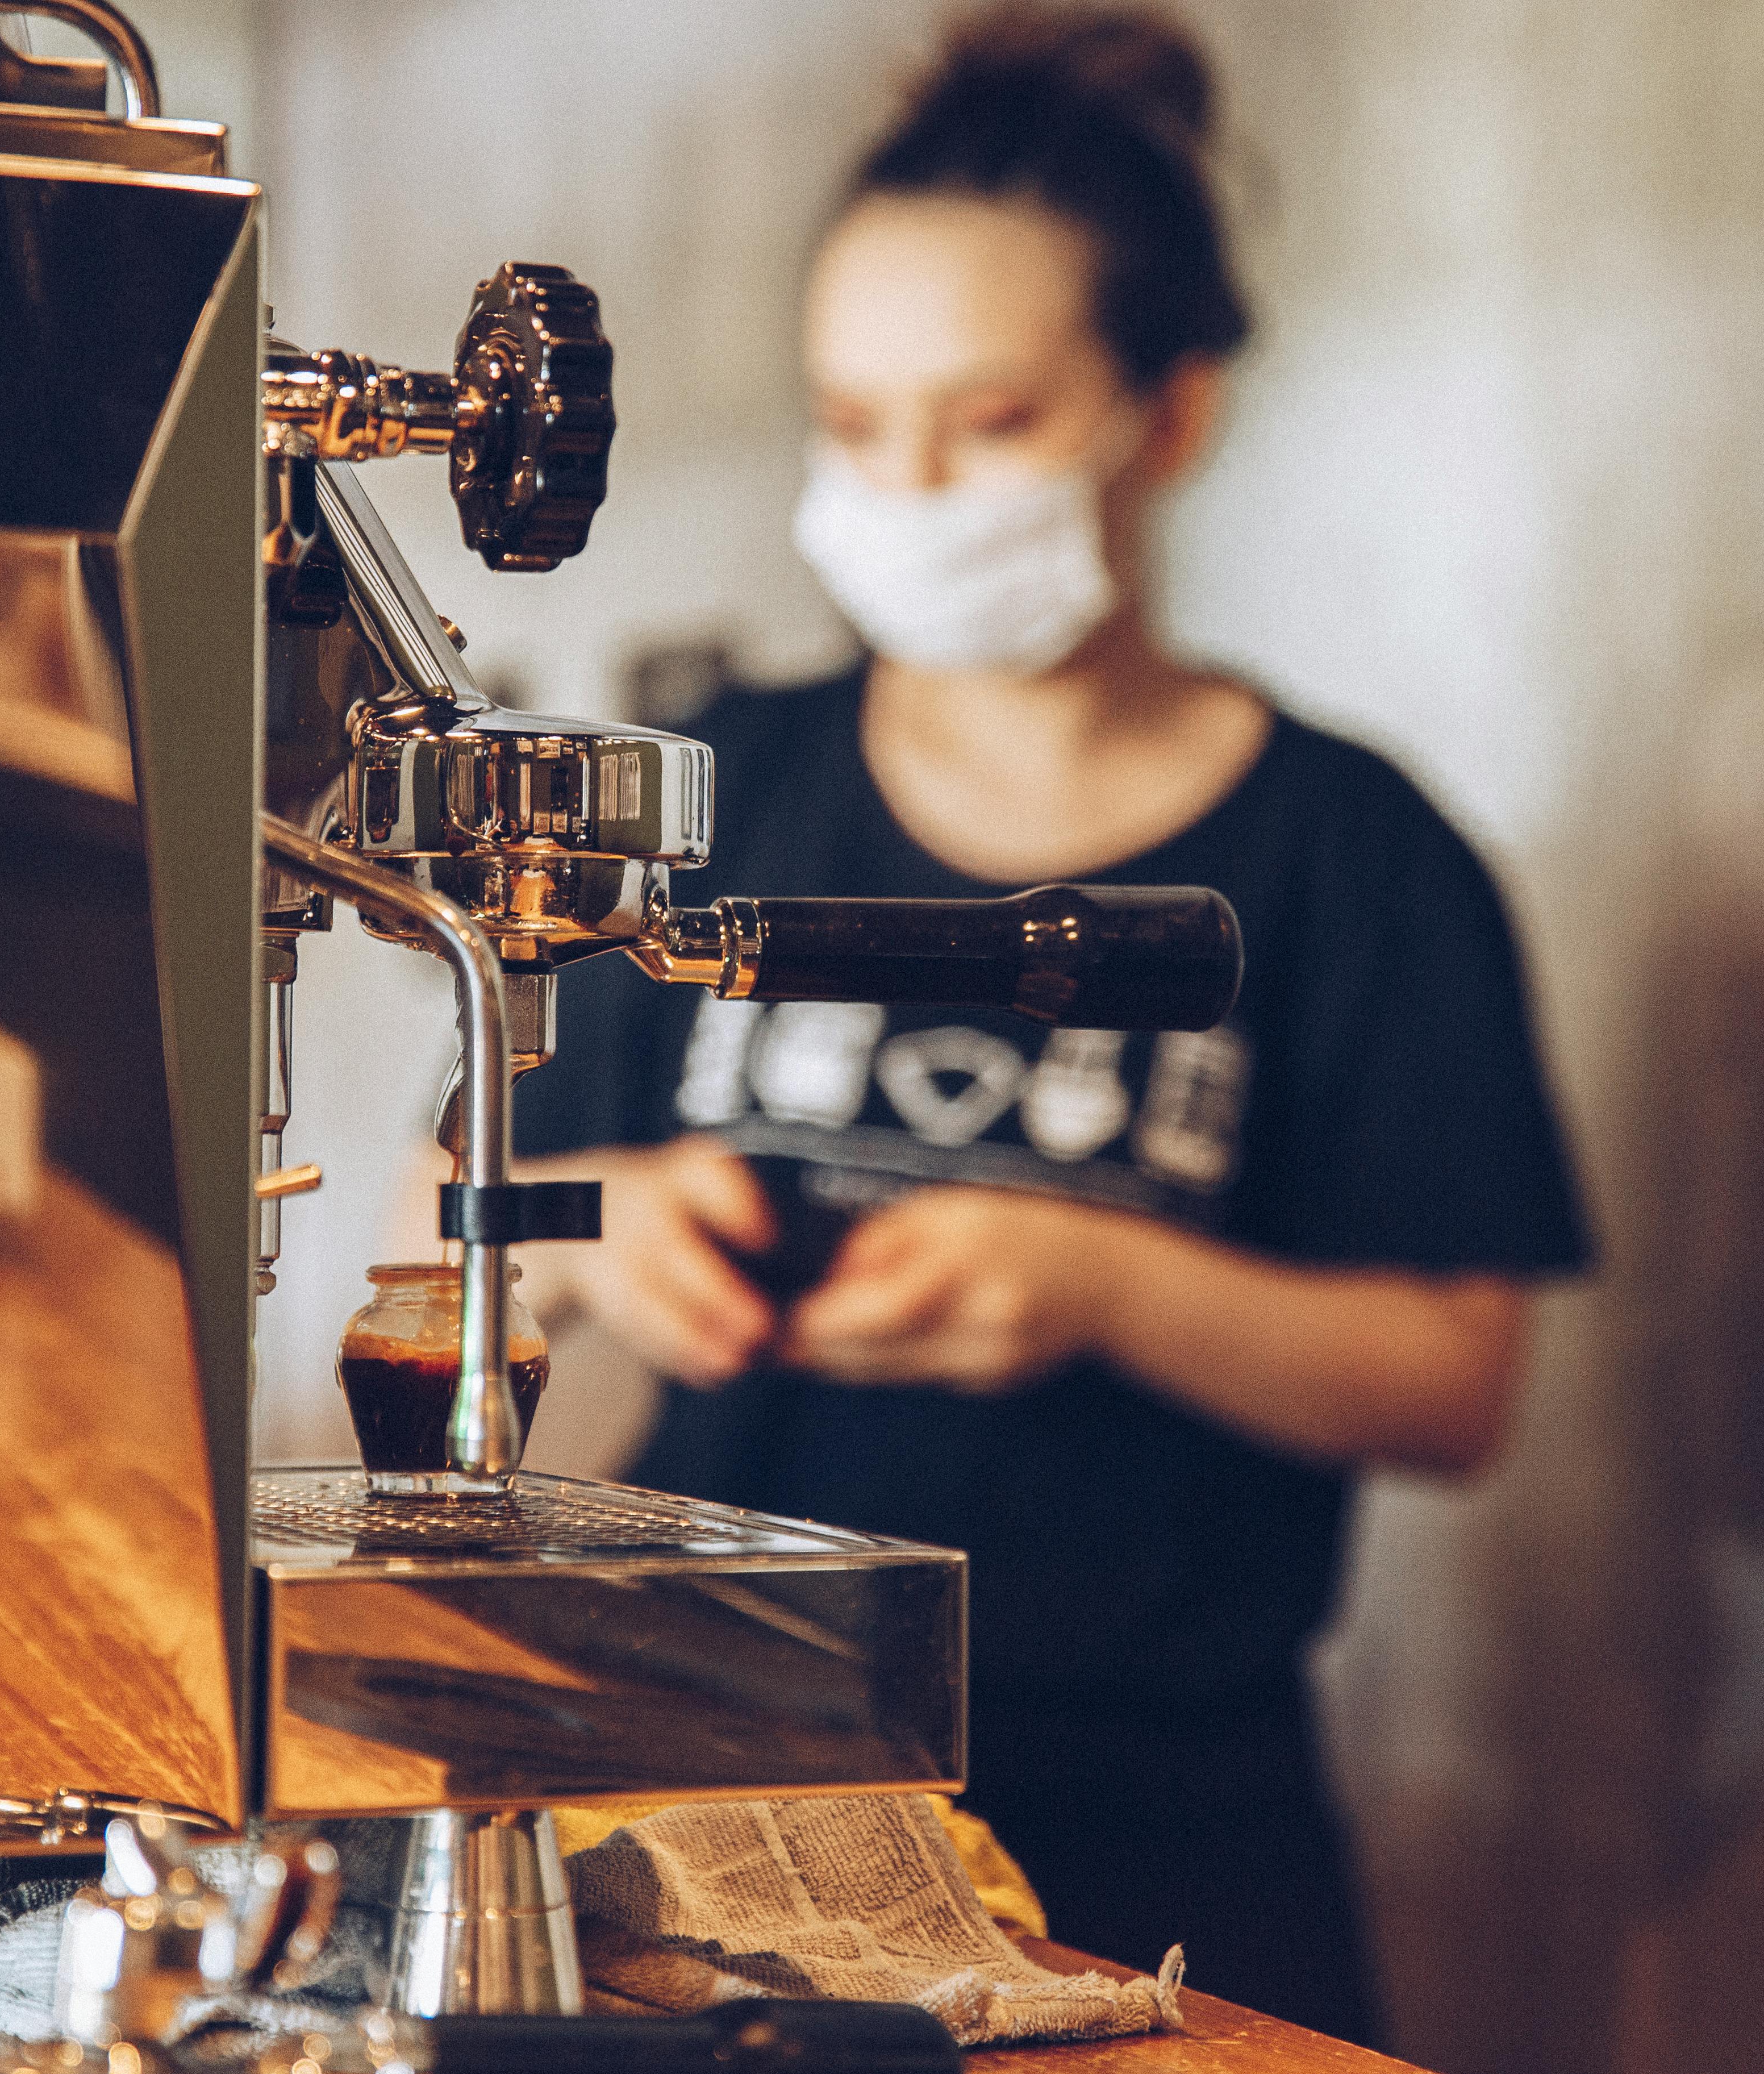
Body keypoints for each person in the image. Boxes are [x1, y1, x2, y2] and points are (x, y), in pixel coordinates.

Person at [507, 2, 1590, 2048]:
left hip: (1160, 1811)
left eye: (985, 421)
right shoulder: (707, 787)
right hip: (701, 1767)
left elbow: (1453, 1376)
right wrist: (600, 1222)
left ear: (1167, 416)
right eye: (852, 423)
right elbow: (452, 1189)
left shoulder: (1352, 855)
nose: (902, 487)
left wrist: (1103, 1284)